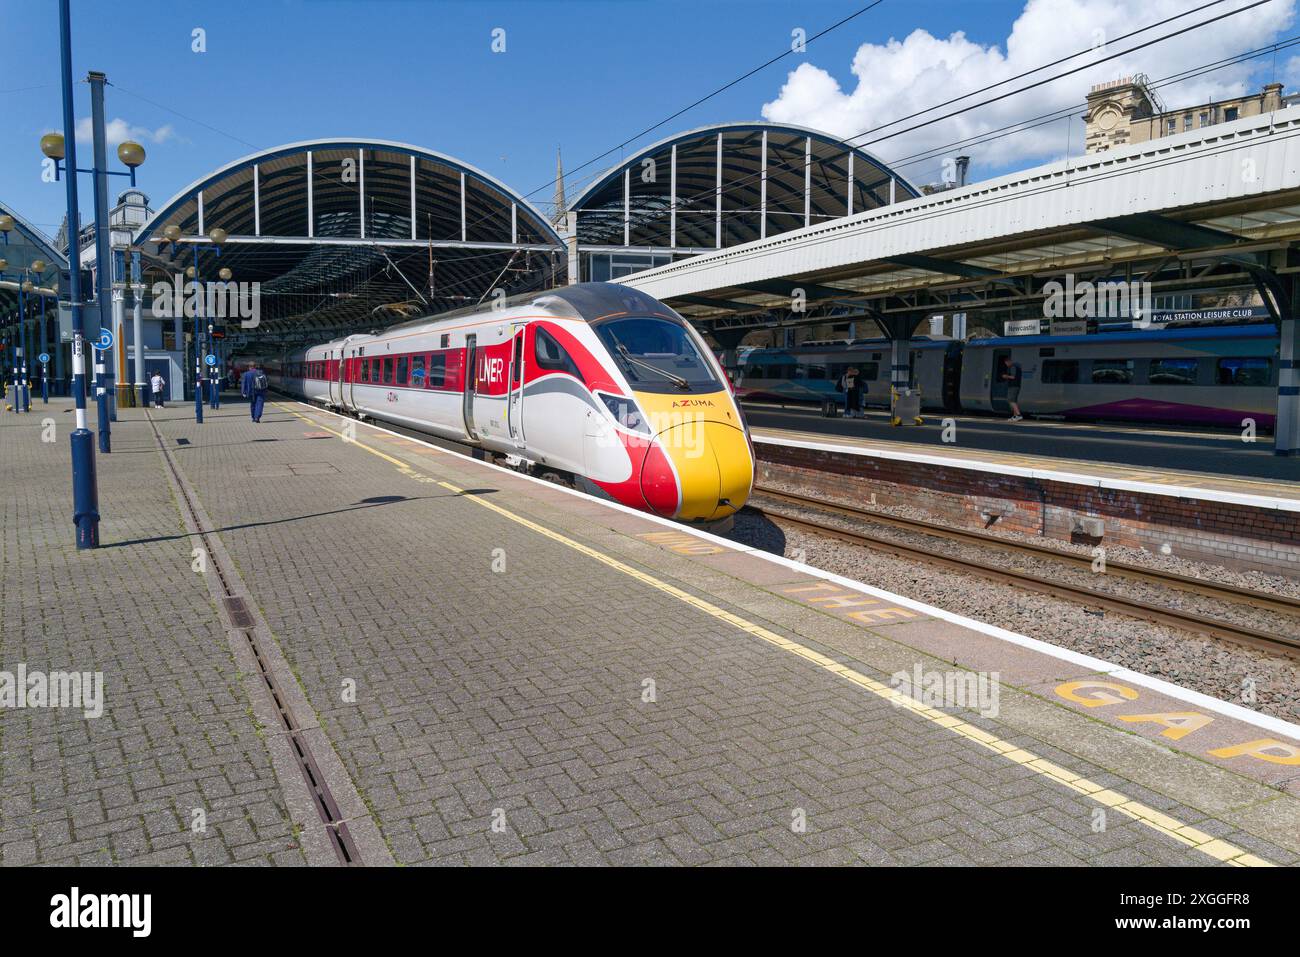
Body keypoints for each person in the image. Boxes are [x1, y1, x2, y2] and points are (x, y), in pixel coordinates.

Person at [999, 355, 1023, 421]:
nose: (1006, 364)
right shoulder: (1017, 367)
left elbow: (1013, 377)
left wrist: (1005, 376)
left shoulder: (1013, 367)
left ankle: (1018, 415)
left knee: (1010, 400)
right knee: (1014, 401)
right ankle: (1015, 416)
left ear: (1008, 361)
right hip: (1016, 385)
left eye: (1006, 363)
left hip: (1013, 386)